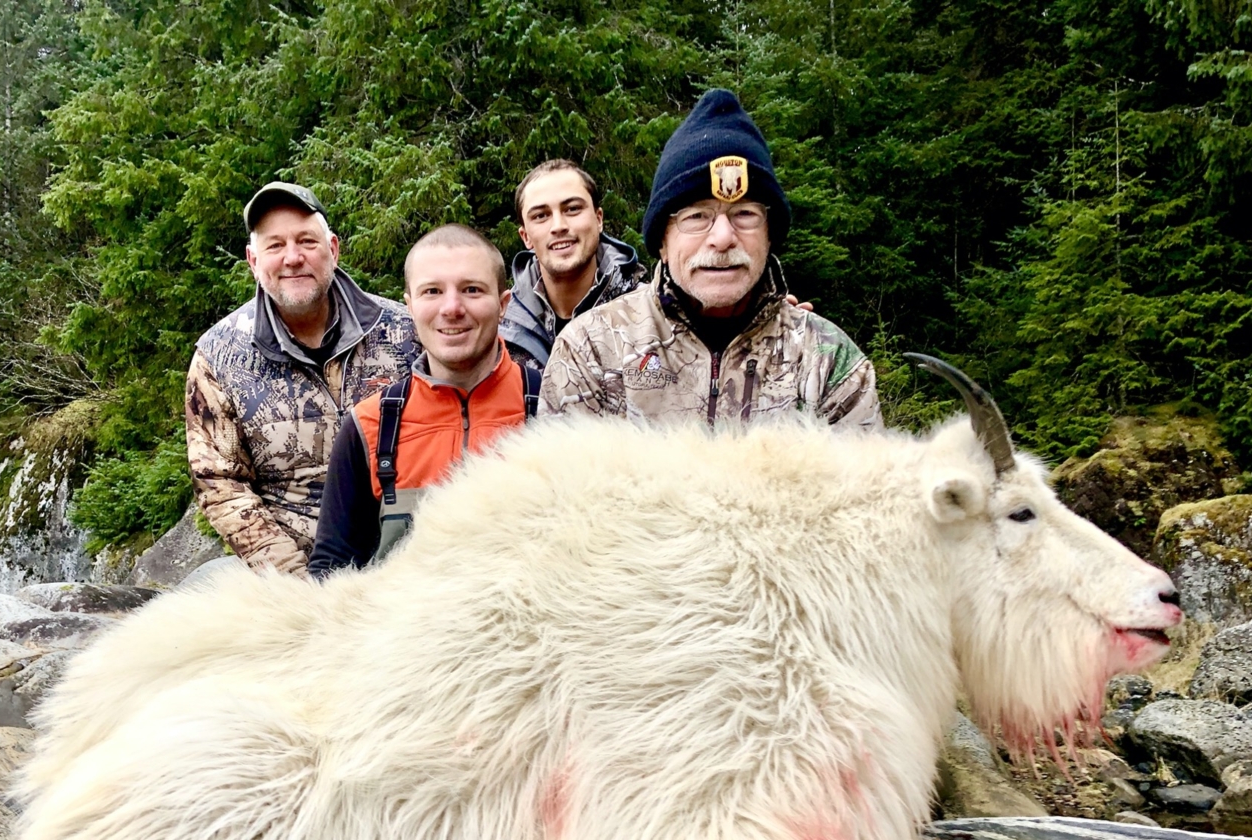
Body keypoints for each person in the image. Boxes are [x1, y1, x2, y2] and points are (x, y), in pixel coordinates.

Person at [540, 90, 882, 430]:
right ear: (662, 241)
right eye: (696, 216)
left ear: (769, 235)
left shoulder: (828, 361)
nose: (722, 238)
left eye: (744, 214)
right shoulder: (590, 350)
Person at [185, 182, 419, 576]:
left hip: (408, 558)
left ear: (333, 249)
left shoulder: (405, 331)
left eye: (307, 242)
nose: (293, 258)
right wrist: (293, 580)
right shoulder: (219, 355)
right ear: (253, 261)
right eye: (275, 246)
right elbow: (220, 482)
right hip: (293, 569)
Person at [309, 225, 538, 576]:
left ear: (503, 304)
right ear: (410, 307)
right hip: (404, 612)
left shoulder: (549, 405)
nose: (452, 308)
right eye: (432, 291)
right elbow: (330, 566)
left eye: (472, 290)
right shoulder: (370, 427)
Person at [499, 159, 647, 373]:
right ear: (526, 237)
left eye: (572, 209)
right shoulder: (500, 333)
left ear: (598, 219)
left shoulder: (650, 314)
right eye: (541, 216)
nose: (558, 226)